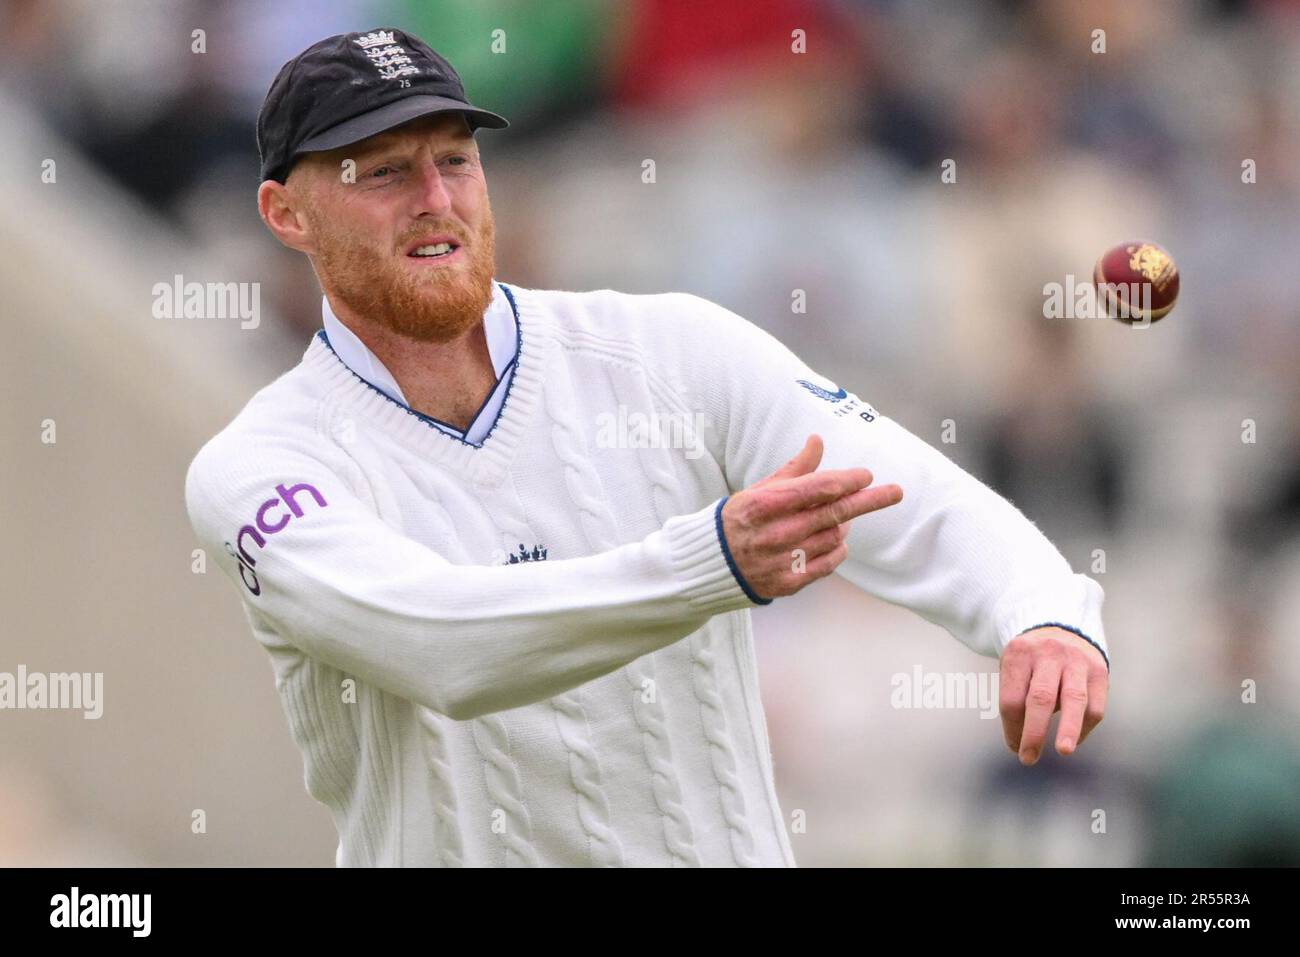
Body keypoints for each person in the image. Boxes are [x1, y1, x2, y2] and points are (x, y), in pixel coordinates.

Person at [184, 28, 1110, 867]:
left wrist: (1040, 609)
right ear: (286, 214)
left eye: (456, 161)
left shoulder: (672, 348)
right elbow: (440, 644)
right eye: (382, 172)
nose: (436, 200)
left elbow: (900, 489)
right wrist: (711, 561)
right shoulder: (260, 468)